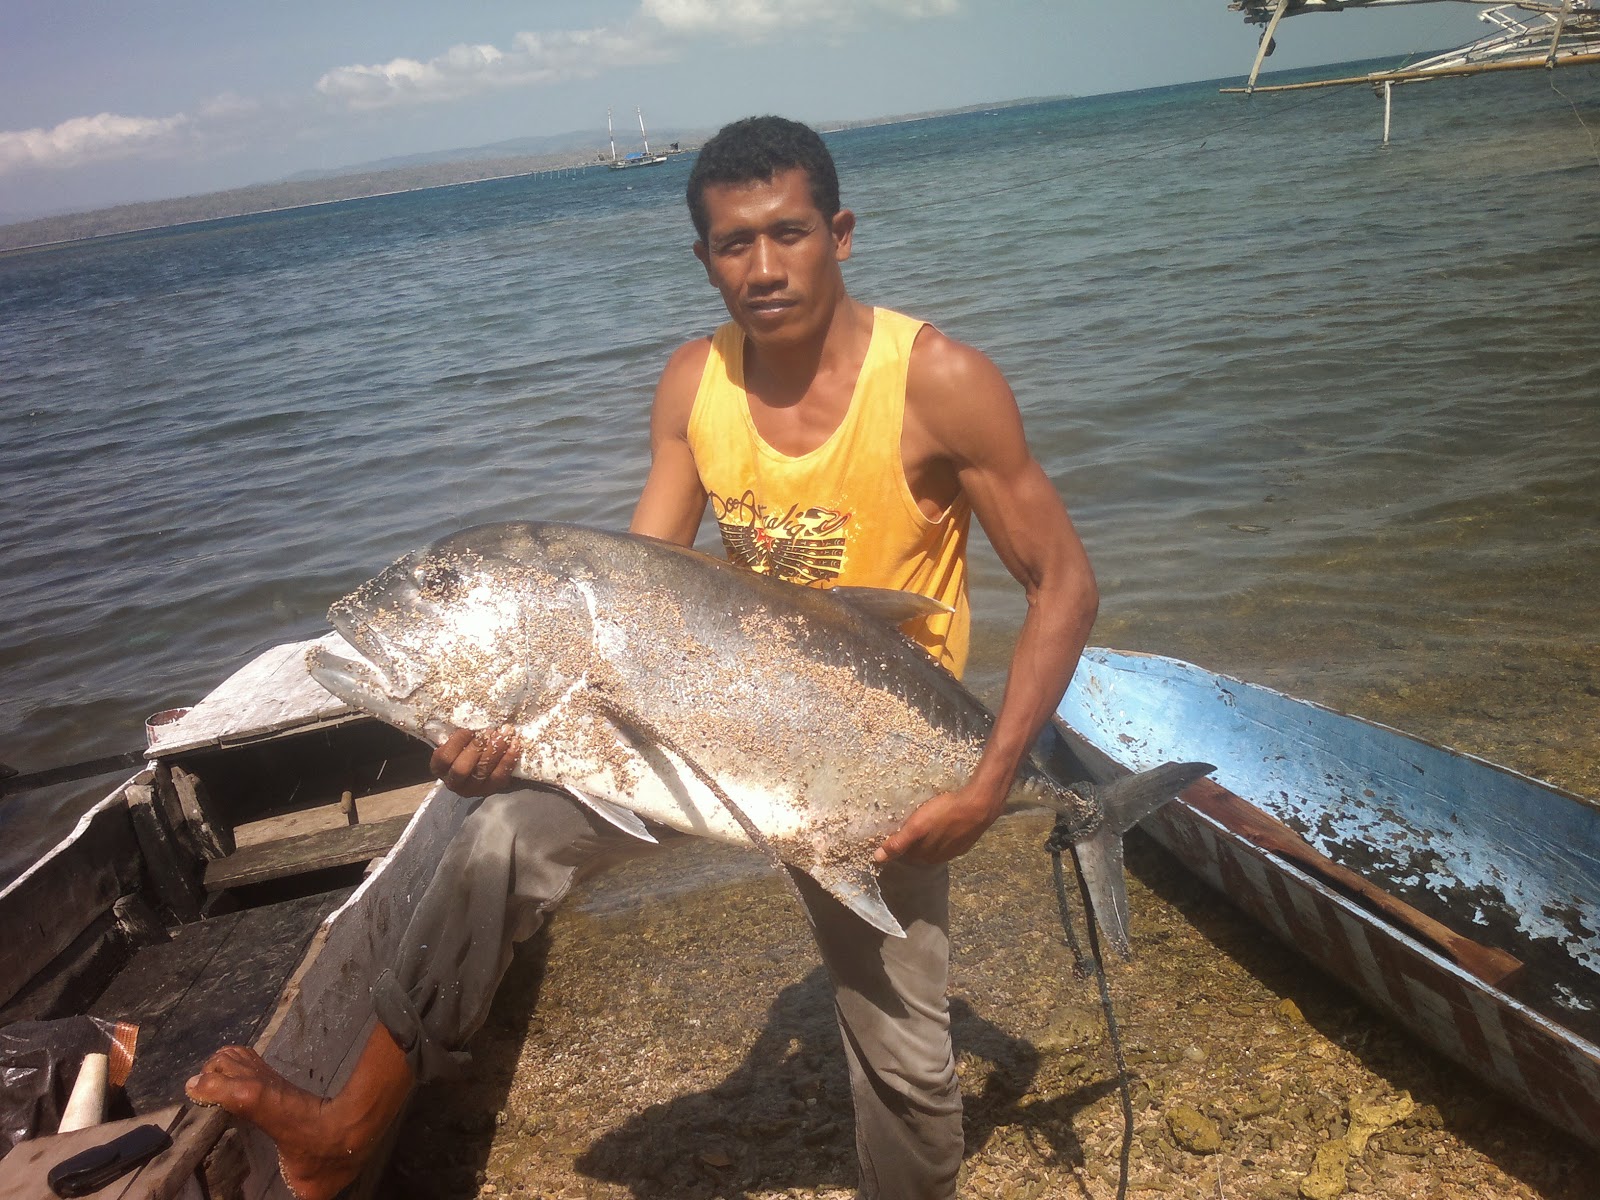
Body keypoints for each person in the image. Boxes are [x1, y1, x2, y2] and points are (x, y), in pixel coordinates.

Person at [187, 115, 1098, 1200]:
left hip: (874, 760)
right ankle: (349, 1121)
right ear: (701, 256)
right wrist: (500, 737)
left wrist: (992, 783)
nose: (763, 267)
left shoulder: (939, 380)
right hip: (692, 733)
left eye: (789, 233)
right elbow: (632, 588)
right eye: (733, 244)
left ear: (841, 233)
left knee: (901, 1052)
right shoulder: (691, 385)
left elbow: (1064, 585)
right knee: (495, 841)